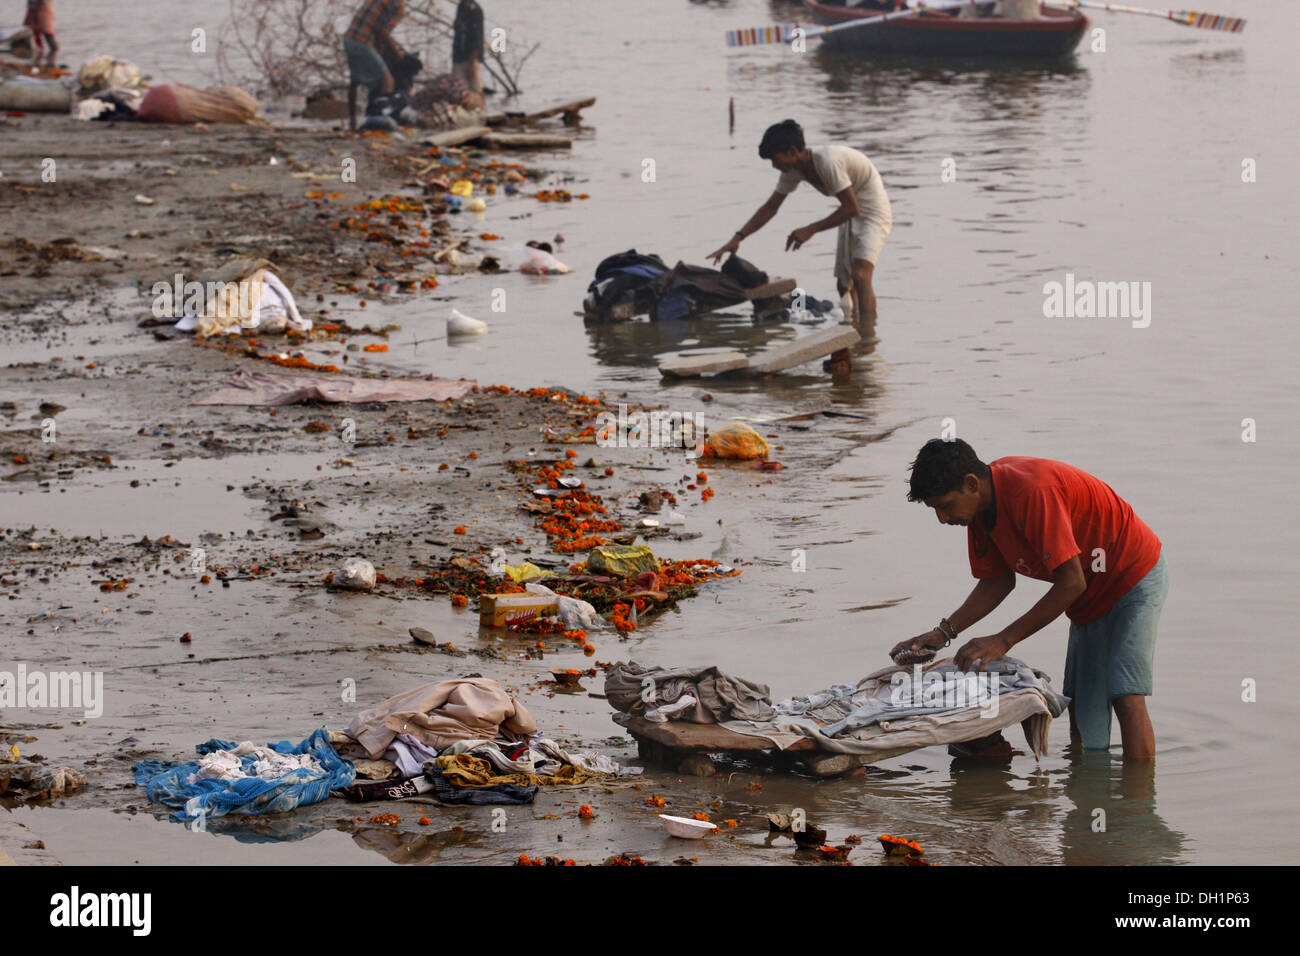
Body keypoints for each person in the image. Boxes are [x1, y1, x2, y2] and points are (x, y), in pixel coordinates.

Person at [893, 438, 1168, 760]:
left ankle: (1137, 803)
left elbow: (1071, 582)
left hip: (1131, 575)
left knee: (1126, 693)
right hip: (1087, 593)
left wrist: (1003, 640)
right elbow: (997, 581)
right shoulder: (980, 509)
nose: (942, 518)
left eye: (945, 505)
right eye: (935, 509)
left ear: (971, 483)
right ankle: (1090, 792)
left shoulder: (1032, 492)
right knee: (1082, 698)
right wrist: (943, 633)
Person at [708, 119, 892, 323]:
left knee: (860, 275)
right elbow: (770, 207)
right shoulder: (793, 171)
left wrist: (811, 229)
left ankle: (867, 337)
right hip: (849, 211)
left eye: (776, 159)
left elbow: (851, 207)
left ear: (793, 151)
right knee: (844, 284)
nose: (774, 166)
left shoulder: (827, 161)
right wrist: (738, 237)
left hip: (873, 210)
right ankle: (853, 327)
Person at [344, 0, 407, 130]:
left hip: (349, 40)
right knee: (388, 80)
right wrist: (397, 52)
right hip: (363, 42)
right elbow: (383, 33)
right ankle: (381, 118)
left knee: (354, 80)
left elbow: (375, 27)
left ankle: (352, 120)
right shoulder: (399, 7)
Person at [24, 0, 57, 69]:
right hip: (36, 9)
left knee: (48, 37)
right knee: (33, 36)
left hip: (41, 10)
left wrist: (37, 13)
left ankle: (50, 61)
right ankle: (39, 60)